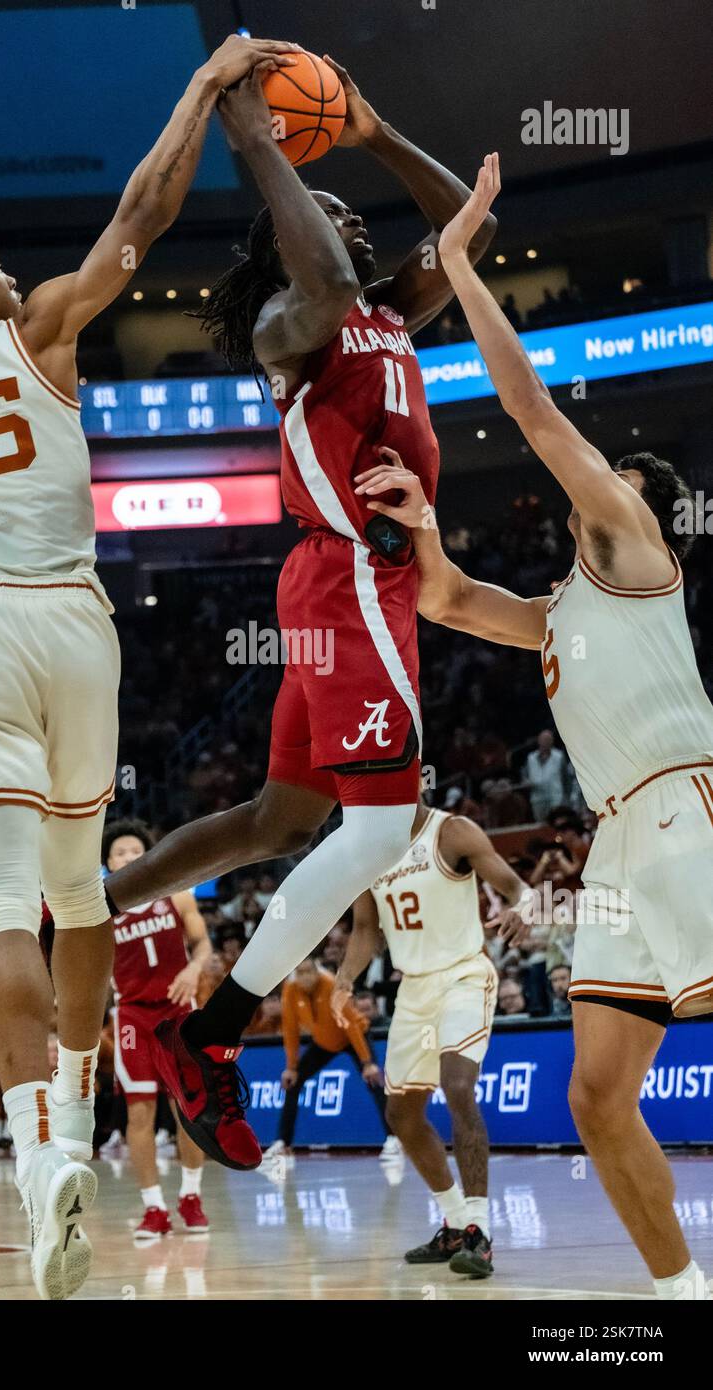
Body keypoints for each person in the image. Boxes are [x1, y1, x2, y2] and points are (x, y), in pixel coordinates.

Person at [0, 32, 300, 1297]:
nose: (10, 278)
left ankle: (36, 1146)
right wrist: (202, 93)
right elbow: (141, 215)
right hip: (73, 623)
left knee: (0, 907)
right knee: (81, 896)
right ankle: (84, 1104)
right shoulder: (42, 324)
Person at [102, 58, 496, 1172]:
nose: (331, 218)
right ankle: (210, 1032)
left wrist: (367, 131)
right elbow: (318, 275)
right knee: (374, 831)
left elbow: (465, 223)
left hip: (347, 588)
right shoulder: (294, 324)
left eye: (336, 208)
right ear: (278, 240)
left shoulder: (379, 310)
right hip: (350, 580)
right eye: (307, 208)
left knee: (276, 822)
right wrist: (257, 144)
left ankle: (84, 903)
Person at [352, 152, 713, 1300]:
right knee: (594, 1097)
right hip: (617, 842)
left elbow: (528, 406)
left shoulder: (632, 551)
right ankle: (677, 1296)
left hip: (685, 805)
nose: (591, 478)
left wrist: (455, 263)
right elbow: (448, 600)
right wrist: (412, 518)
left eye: (613, 474)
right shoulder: (560, 608)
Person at [332, 798, 527, 1276]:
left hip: (463, 974)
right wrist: (343, 980)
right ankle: (456, 1224)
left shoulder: (452, 831)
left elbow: (513, 884)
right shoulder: (368, 852)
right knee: (400, 1112)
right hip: (413, 987)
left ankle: (479, 1231)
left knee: (458, 1087)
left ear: (417, 777)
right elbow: (365, 929)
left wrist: (522, 906)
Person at [103, 820, 213, 1238]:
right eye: (119, 852)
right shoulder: (100, 909)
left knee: (187, 1107)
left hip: (178, 1008)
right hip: (132, 1015)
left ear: (148, 856)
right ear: (108, 864)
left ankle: (191, 1195)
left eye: (135, 850)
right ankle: (153, 1208)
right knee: (139, 1110)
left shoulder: (177, 892)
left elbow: (203, 944)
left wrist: (193, 968)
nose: (128, 856)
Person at [263, 957, 391, 1163]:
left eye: (308, 972)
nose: (305, 977)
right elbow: (290, 1030)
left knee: (373, 1080)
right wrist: (291, 1067)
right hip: (324, 1041)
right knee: (293, 1082)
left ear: (317, 971)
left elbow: (350, 1024)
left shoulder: (331, 984)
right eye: (300, 972)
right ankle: (282, 1143)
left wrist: (367, 1062)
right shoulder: (290, 989)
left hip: (353, 1035)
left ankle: (394, 1140)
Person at [523, 730, 568, 822]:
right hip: (537, 798)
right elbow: (525, 775)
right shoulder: (531, 757)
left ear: (552, 741)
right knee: (540, 824)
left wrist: (565, 796)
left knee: (556, 821)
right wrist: (527, 781)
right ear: (539, 741)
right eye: (543, 739)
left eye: (548, 739)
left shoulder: (559, 756)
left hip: (555, 797)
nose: (545, 742)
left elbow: (565, 777)